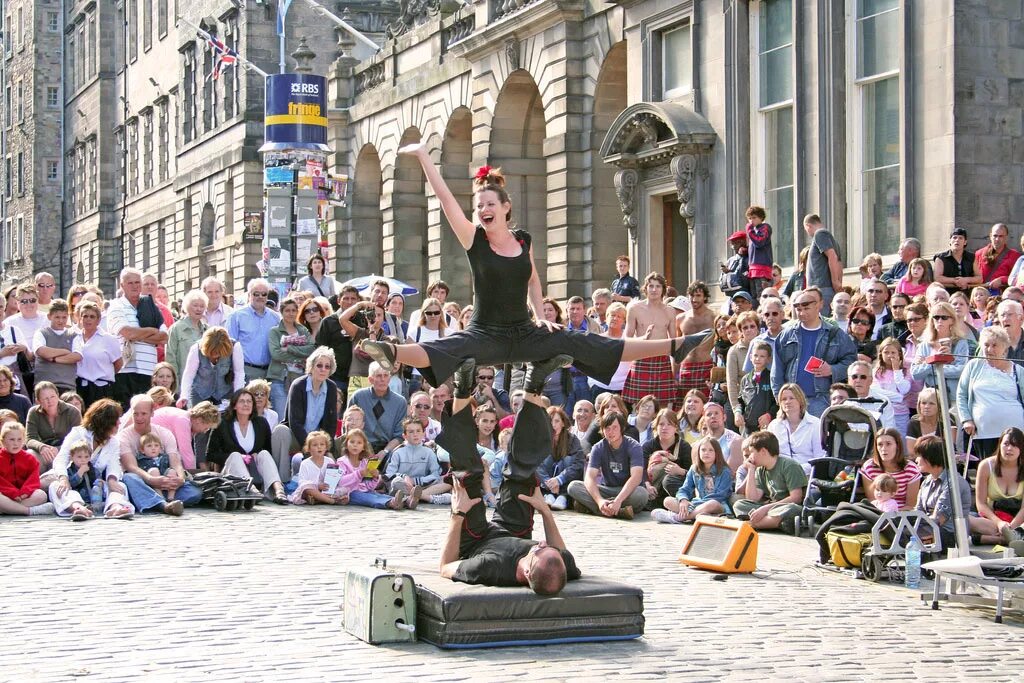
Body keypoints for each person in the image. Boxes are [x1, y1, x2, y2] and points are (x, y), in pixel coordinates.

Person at [357, 151, 710, 394]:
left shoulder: (523, 240)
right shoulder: (474, 239)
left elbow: (533, 279)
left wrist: (540, 316)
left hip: (525, 332)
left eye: (490, 204)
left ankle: (674, 346)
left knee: (593, 343)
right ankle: (390, 352)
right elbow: (448, 202)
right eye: (479, 206)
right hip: (485, 333)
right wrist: (423, 157)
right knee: (445, 348)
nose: (483, 210)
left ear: (505, 207)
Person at [438, 357, 581, 594]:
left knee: (467, 477)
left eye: (539, 550)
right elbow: (561, 554)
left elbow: (445, 567)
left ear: (527, 573)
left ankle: (462, 387)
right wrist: (545, 511)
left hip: (477, 540)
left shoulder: (488, 567)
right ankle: (534, 381)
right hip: (515, 529)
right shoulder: (555, 564)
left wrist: (457, 515)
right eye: (547, 547)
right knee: (523, 473)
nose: (542, 543)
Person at [48, 399, 142, 520]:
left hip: (96, 485)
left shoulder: (113, 442)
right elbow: (61, 458)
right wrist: (63, 479)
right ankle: (78, 508)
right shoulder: (78, 433)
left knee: (120, 485)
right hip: (75, 481)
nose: (119, 422)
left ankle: (115, 508)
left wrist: (112, 480)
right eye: (116, 419)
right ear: (106, 421)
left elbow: (114, 464)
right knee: (55, 486)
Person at [771, 287, 858, 416]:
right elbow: (776, 371)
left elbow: (852, 363)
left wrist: (833, 370)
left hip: (822, 400)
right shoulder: (786, 335)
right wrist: (780, 399)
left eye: (806, 308)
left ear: (818, 306)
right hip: (792, 401)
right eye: (798, 309)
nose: (802, 313)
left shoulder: (835, 334)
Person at [118, 395, 203, 512]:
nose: (139, 418)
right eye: (135, 414)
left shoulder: (164, 433)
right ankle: (163, 505)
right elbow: (131, 466)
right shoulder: (124, 436)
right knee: (129, 478)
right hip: (143, 480)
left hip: (165, 481)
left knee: (194, 492)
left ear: (152, 413)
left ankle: (154, 500)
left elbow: (175, 461)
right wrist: (151, 479)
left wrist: (180, 479)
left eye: (143, 414)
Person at [270, 347, 339, 483]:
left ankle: (329, 488)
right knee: (280, 431)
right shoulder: (298, 385)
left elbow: (331, 423)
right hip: (296, 436)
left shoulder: (331, 388)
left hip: (319, 439)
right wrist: (310, 446)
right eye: (319, 365)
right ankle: (281, 482)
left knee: (334, 453)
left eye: (327, 367)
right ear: (311, 367)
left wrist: (324, 446)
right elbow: (294, 422)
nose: (323, 369)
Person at [956, 326, 1024, 460]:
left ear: (1005, 348)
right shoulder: (974, 366)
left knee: (1016, 468)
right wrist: (966, 419)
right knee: (988, 467)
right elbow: (961, 394)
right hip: (984, 431)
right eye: (986, 345)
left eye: (995, 345)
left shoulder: (1018, 371)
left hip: (1015, 430)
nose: (989, 349)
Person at [207, 388, 287, 503]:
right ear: (234, 405)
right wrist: (240, 457)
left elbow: (268, 449)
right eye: (242, 401)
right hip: (232, 472)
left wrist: (256, 455)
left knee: (264, 454)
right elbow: (210, 454)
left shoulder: (261, 423)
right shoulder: (223, 423)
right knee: (235, 455)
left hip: (255, 470)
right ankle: (251, 490)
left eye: (249, 401)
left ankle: (278, 490)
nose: (246, 404)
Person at [566, 411, 648, 519]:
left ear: (622, 428)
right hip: (607, 489)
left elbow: (636, 477)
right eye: (607, 428)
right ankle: (617, 511)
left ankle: (597, 508)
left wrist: (618, 500)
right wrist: (599, 501)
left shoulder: (634, 446)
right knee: (573, 487)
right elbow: (589, 477)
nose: (611, 432)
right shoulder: (598, 447)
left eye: (614, 428)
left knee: (641, 494)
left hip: (628, 491)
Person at [106, 268, 168, 408]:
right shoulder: (116, 306)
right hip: (124, 370)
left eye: (137, 282)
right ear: (122, 285)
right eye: (130, 283)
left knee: (146, 411)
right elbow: (127, 333)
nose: (135, 286)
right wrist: (152, 331)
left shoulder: (151, 306)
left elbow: (164, 337)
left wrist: (136, 335)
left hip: (148, 369)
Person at [733, 430, 808, 534]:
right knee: (739, 505)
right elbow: (752, 498)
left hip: (789, 506)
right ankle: (774, 524)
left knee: (791, 509)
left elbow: (796, 498)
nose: (750, 457)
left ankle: (751, 524)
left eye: (752, 452)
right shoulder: (760, 469)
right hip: (772, 509)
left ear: (763, 451)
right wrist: (751, 470)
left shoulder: (789, 465)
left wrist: (765, 509)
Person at [652, 436, 732, 524]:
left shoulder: (724, 471)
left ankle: (677, 517)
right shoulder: (694, 469)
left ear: (717, 453)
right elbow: (685, 489)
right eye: (703, 450)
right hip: (696, 505)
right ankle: (699, 516)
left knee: (712, 503)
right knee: (667, 501)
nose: (706, 453)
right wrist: (683, 500)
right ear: (699, 452)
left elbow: (720, 496)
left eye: (711, 450)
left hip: (717, 505)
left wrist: (696, 505)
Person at [913, 435, 972, 550]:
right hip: (928, 529)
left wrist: (911, 528)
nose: (916, 460)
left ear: (930, 457)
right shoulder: (926, 482)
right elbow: (918, 512)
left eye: (919, 456)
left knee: (903, 534)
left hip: (950, 536)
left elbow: (939, 519)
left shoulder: (953, 482)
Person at [968, 427, 1024, 545]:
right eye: (1006, 444)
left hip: (1019, 520)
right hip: (992, 519)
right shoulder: (986, 465)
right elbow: (981, 504)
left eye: (1015, 445)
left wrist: (1011, 528)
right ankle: (1010, 539)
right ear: (999, 444)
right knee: (964, 519)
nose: (1009, 449)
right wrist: (999, 524)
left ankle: (991, 539)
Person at [910, 302, 972, 404]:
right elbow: (915, 373)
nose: (939, 321)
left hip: (954, 399)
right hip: (931, 400)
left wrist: (929, 364)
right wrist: (936, 360)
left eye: (944, 317)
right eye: (936, 317)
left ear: (952, 320)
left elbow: (961, 370)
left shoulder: (960, 343)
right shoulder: (925, 344)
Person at [335, 428, 409, 510]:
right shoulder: (342, 462)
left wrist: (375, 477)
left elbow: (369, 486)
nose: (355, 445)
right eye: (352, 442)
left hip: (365, 491)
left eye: (359, 443)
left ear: (363, 447)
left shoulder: (364, 462)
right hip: (350, 493)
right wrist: (359, 474)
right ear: (346, 444)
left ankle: (407, 501)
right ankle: (391, 503)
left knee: (376, 494)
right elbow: (341, 482)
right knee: (370, 498)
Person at [226, 278, 281, 382]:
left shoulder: (275, 318)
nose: (260, 297)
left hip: (270, 372)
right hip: (245, 371)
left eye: (264, 294)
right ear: (249, 295)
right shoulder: (236, 316)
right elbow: (229, 346)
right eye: (256, 294)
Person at [268, 297, 317, 415]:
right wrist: (300, 358)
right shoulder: (275, 331)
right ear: (281, 312)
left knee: (297, 414)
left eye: (294, 310)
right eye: (287, 310)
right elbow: (276, 354)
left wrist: (289, 348)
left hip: (299, 377)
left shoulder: (303, 330)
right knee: (282, 414)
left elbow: (311, 349)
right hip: (280, 378)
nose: (291, 313)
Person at [178, 327, 245, 410]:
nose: (215, 355)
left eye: (219, 352)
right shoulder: (196, 349)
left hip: (225, 394)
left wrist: (238, 397)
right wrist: (184, 396)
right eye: (212, 352)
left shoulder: (235, 347)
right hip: (200, 394)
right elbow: (189, 374)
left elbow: (239, 374)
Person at [348, 361, 405, 456]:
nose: (383, 379)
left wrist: (385, 452)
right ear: (370, 379)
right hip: (359, 448)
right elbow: (348, 426)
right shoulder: (358, 396)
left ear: (389, 378)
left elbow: (399, 435)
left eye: (386, 375)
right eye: (378, 376)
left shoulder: (400, 402)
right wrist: (363, 449)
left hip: (388, 450)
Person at [72, 301, 122, 410]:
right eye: (85, 316)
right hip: (80, 387)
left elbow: (118, 363)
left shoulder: (108, 339)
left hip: (102, 388)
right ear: (80, 318)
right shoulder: (74, 337)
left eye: (92, 316)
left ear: (98, 320)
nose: (88, 319)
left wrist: (103, 373)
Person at [766, 383, 824, 476]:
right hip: (779, 476)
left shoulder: (815, 424)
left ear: (800, 400)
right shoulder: (774, 426)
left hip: (807, 476)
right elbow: (769, 456)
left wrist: (795, 470)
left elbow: (820, 459)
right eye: (784, 399)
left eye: (791, 398)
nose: (787, 402)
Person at [384, 418, 446, 505]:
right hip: (403, 485)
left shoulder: (429, 452)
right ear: (404, 436)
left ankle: (413, 497)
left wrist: (415, 481)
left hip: (423, 486)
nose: (415, 434)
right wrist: (404, 477)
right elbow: (388, 475)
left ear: (423, 433)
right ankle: (413, 498)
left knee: (445, 480)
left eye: (418, 431)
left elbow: (435, 474)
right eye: (411, 432)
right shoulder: (397, 452)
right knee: (396, 482)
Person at [26, 382, 82, 473]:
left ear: (58, 395)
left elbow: (79, 438)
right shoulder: (33, 412)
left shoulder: (72, 411)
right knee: (30, 455)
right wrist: (41, 447)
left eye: (52, 396)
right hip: (45, 451)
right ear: (38, 401)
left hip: (68, 450)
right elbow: (30, 439)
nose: (50, 401)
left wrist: (59, 449)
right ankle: (34, 481)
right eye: (45, 398)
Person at [0, 422, 54, 516]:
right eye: (12, 439)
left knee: (41, 495)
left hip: (23, 496)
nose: (16, 443)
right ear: (3, 441)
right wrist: (12, 493)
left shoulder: (30, 459)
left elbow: (33, 480)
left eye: (19, 439)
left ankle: (7, 509)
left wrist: (25, 492)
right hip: (5, 494)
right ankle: (29, 511)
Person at [537, 405, 585, 511]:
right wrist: (548, 483)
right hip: (546, 485)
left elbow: (579, 463)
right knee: (545, 459)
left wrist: (559, 479)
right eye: (550, 421)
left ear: (563, 423)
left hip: (564, 482)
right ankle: (548, 495)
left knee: (568, 460)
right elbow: (536, 465)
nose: (553, 425)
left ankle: (563, 497)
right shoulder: (540, 439)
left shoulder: (572, 439)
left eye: (557, 421)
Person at [861, 427, 921, 510]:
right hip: (876, 513)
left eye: (888, 444)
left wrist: (892, 513)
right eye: (880, 444)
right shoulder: (869, 467)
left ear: (897, 446)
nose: (883, 448)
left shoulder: (911, 469)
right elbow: (873, 500)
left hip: (902, 514)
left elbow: (911, 505)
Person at [675, 281, 717, 397]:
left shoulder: (714, 317)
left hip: (707, 367)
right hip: (686, 367)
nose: (694, 299)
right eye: (691, 295)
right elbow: (676, 349)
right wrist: (674, 375)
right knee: (685, 403)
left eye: (698, 295)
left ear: (705, 297)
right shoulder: (680, 319)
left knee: (706, 402)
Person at [30, 299, 79, 394]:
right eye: (57, 317)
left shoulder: (73, 335)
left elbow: (77, 356)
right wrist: (65, 351)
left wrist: (53, 359)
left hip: (67, 386)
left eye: (64, 317)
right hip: (44, 386)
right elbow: (41, 351)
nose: (61, 321)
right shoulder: (41, 333)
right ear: (49, 316)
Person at [289, 430, 351, 506]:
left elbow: (334, 478)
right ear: (309, 448)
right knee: (306, 488)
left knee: (344, 489)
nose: (319, 447)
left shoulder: (329, 461)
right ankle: (331, 501)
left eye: (322, 444)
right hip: (313, 489)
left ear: (326, 447)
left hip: (326, 490)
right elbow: (302, 482)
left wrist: (334, 480)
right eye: (315, 445)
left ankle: (318, 499)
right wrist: (317, 485)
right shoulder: (305, 463)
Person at [642, 407, 691, 501]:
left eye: (669, 424)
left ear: (676, 427)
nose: (665, 428)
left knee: (668, 481)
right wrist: (647, 485)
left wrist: (680, 471)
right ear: (656, 426)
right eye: (661, 424)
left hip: (674, 489)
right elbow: (641, 469)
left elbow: (693, 473)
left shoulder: (684, 446)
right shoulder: (648, 446)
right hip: (652, 489)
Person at [802, 214, 844, 314]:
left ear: (808, 226)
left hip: (821, 289)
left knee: (820, 320)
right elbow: (838, 262)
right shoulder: (831, 239)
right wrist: (838, 283)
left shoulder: (820, 234)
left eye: (806, 230)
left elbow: (832, 256)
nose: (807, 233)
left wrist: (835, 281)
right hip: (826, 289)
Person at [587, 302, 630, 398]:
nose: (615, 318)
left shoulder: (629, 339)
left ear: (624, 321)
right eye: (612, 315)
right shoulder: (597, 339)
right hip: (600, 387)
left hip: (623, 388)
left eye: (619, 316)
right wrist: (592, 384)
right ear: (606, 318)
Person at [736, 340, 777, 436]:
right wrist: (738, 412)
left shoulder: (772, 378)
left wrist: (769, 415)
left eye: (762, 356)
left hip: (768, 426)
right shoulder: (745, 379)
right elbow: (741, 401)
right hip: (749, 427)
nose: (758, 359)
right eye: (755, 355)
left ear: (768, 359)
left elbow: (777, 402)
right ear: (750, 357)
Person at [727, 312, 761, 426]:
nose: (749, 330)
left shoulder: (767, 345)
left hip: (767, 400)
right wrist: (736, 410)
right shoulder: (734, 351)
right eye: (745, 327)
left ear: (758, 328)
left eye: (752, 326)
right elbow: (731, 382)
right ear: (740, 331)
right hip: (746, 402)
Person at [165, 290, 207, 377]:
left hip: (204, 381)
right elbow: (170, 358)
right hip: (182, 380)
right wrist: (175, 381)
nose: (198, 309)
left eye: (202, 306)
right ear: (187, 306)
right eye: (195, 305)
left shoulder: (207, 330)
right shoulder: (176, 329)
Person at [873, 338, 910, 434]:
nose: (890, 355)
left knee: (901, 439)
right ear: (881, 354)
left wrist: (896, 370)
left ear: (899, 354)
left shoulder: (905, 371)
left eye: (893, 353)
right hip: (883, 412)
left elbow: (904, 389)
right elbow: (877, 393)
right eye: (886, 352)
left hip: (901, 414)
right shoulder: (876, 372)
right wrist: (898, 397)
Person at [846, 360, 896, 430]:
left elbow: (889, 429)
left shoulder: (883, 402)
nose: (858, 380)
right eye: (854, 376)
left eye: (863, 377)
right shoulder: (842, 401)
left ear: (871, 380)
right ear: (849, 380)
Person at [975, 223, 1021, 294]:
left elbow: (1019, 278)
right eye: (995, 236)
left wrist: (1002, 280)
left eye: (1001, 236)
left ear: (1006, 237)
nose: (997, 239)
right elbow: (974, 275)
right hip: (981, 295)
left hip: (1003, 294)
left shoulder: (1015, 256)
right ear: (990, 236)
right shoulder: (979, 254)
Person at [933, 228, 979, 294]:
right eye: (954, 238)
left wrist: (965, 280)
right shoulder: (941, 258)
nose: (957, 240)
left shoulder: (972, 257)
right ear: (950, 241)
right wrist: (955, 281)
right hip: (946, 294)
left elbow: (979, 278)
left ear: (965, 242)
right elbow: (937, 278)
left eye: (960, 238)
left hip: (967, 293)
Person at [744, 206, 774, 300]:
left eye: (754, 218)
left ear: (761, 217)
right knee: (753, 297)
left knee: (761, 296)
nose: (751, 221)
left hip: (762, 269)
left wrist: (749, 230)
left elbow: (759, 242)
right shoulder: (753, 231)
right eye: (749, 218)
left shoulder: (765, 227)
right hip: (753, 269)